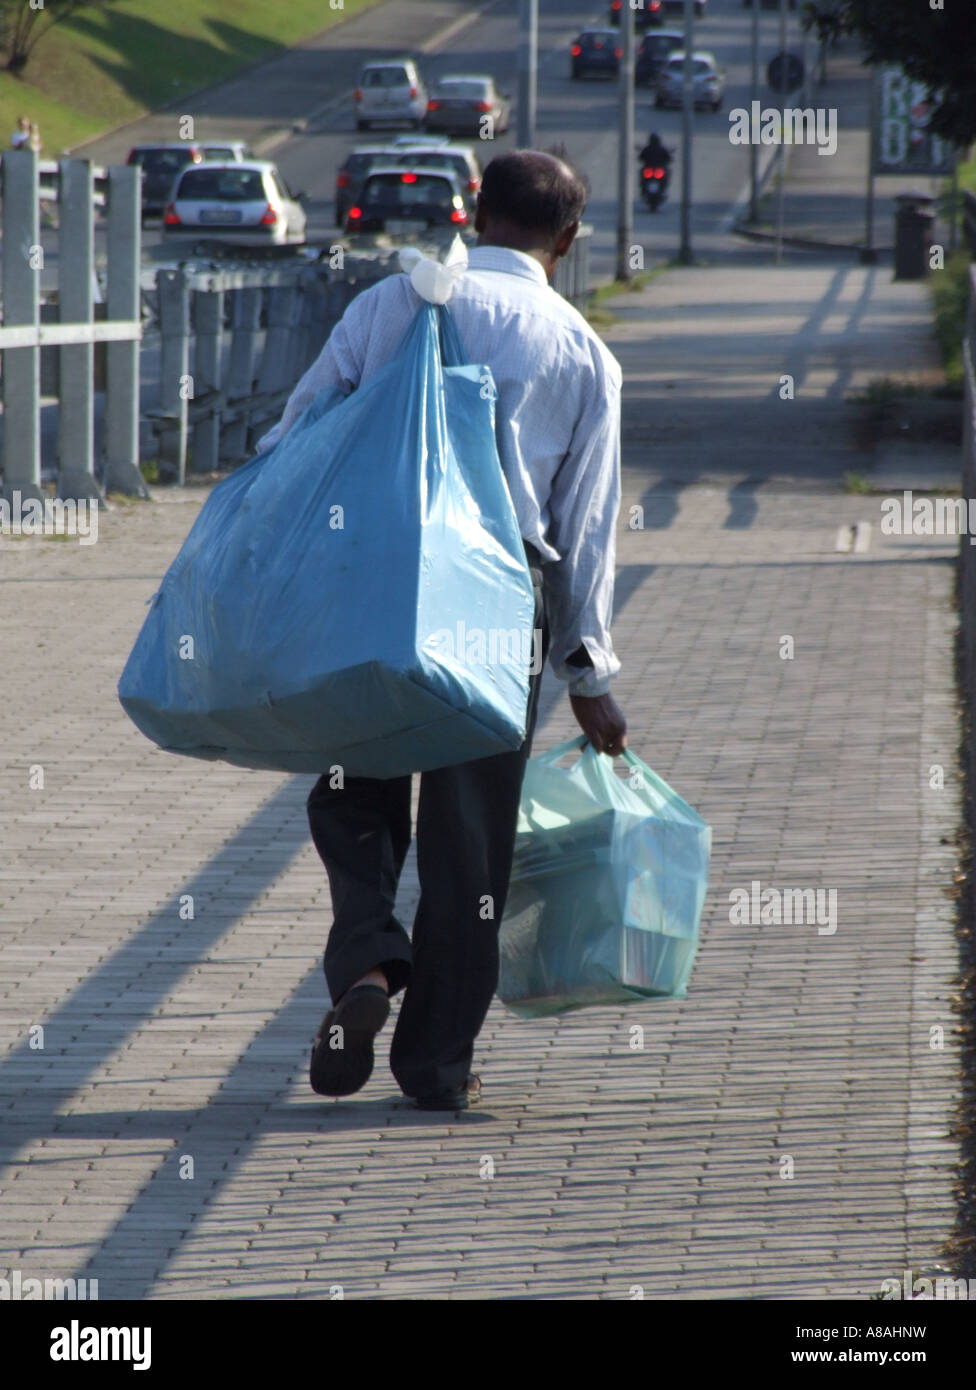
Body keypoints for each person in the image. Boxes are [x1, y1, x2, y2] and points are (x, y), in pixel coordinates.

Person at [256, 148, 628, 1111]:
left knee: (351, 794)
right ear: (569, 240)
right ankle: (435, 1068)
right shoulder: (581, 350)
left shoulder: (389, 306)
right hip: (496, 612)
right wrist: (588, 674)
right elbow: (583, 530)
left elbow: (296, 434)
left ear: (475, 210)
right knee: (469, 850)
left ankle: (371, 966)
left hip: (373, 591)